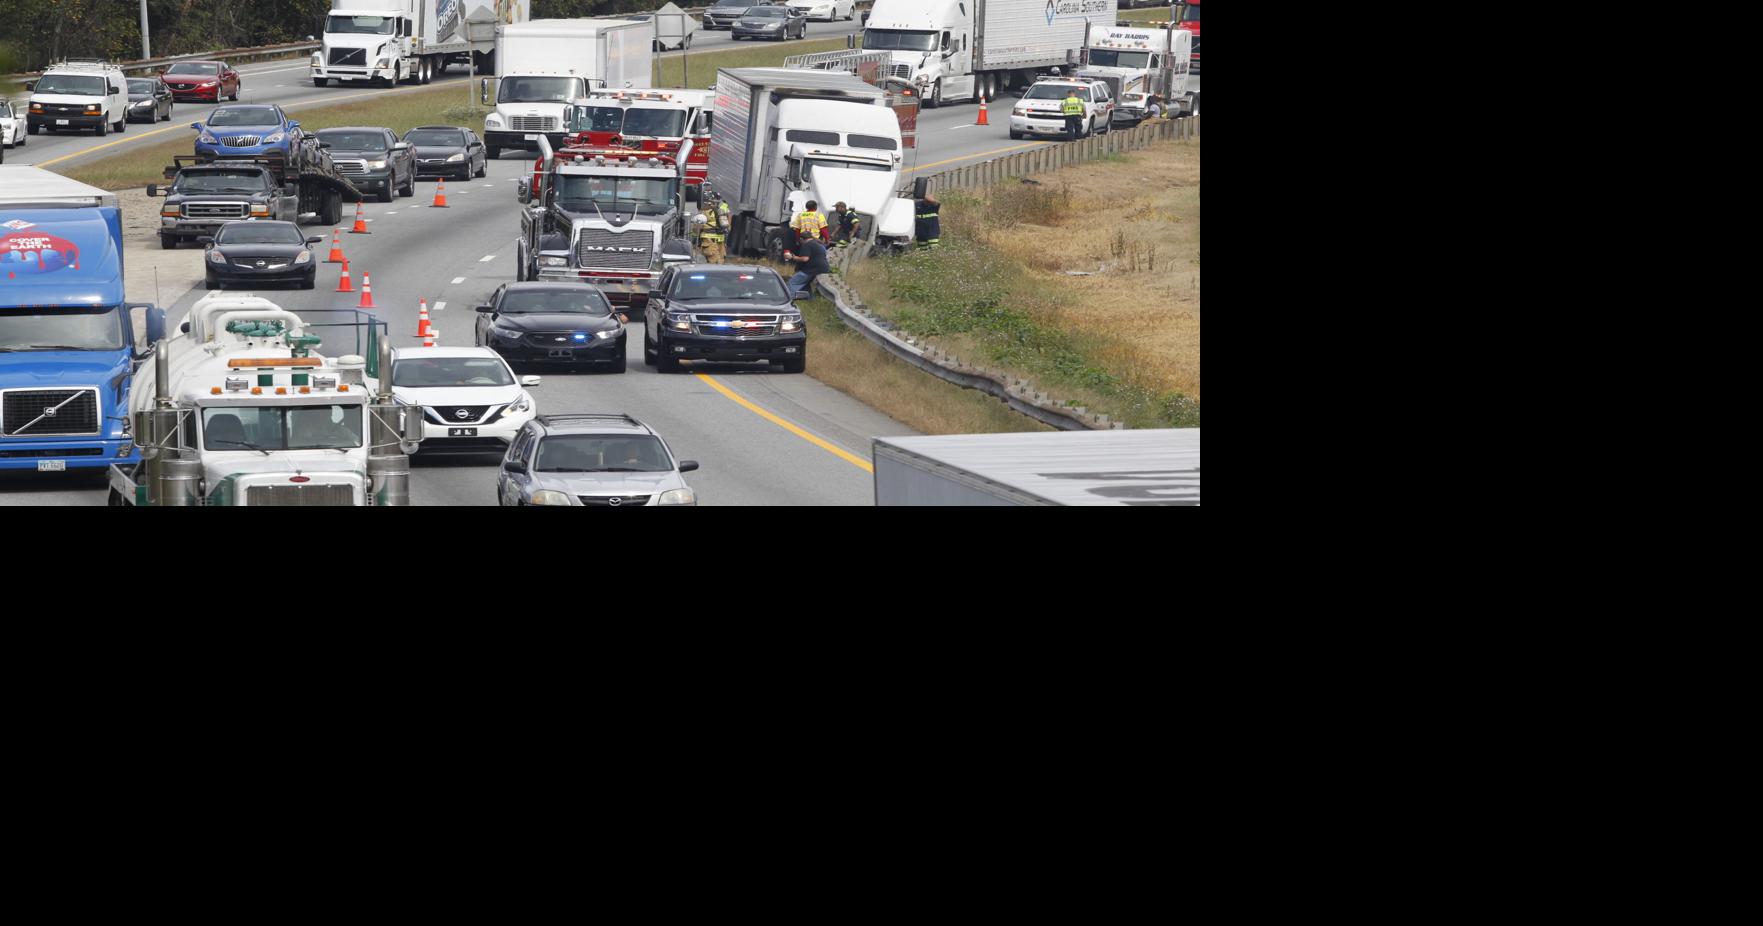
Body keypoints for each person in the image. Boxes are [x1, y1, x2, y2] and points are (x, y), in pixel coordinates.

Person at [696, 185, 728, 264]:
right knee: (720, 263)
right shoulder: (721, 210)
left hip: (709, 242)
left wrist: (695, 239)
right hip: (720, 241)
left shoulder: (704, 211)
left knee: (715, 264)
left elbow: (697, 228)